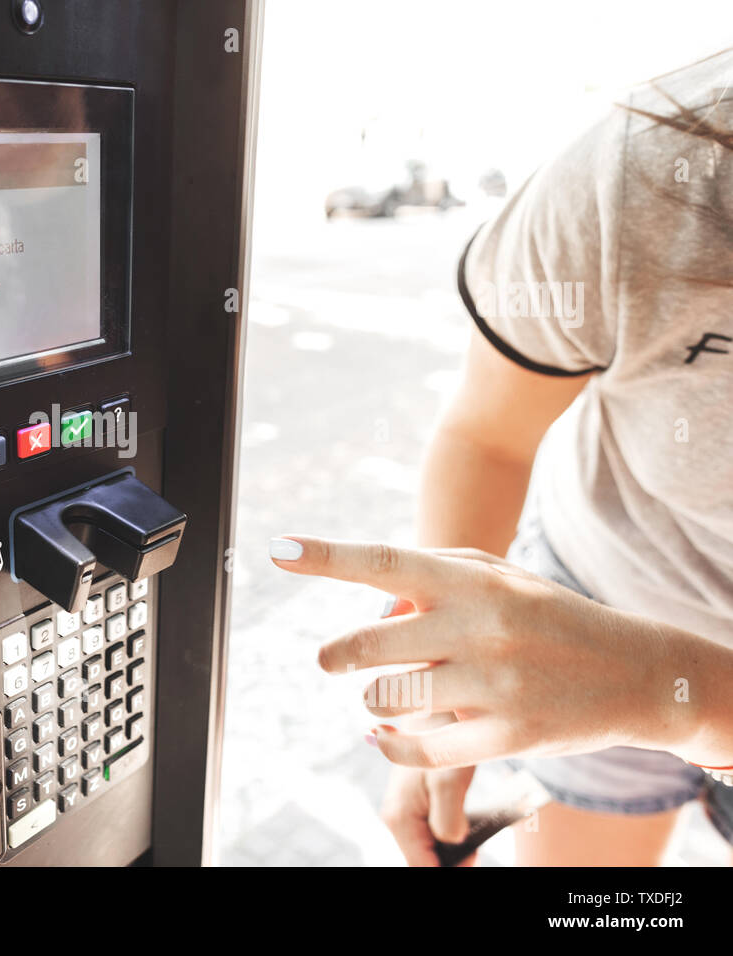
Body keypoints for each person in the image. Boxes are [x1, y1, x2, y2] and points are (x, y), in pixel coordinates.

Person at [270, 48, 733, 866]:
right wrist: (443, 682)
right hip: (601, 620)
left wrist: (673, 693)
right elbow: (489, 435)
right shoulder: (652, 165)